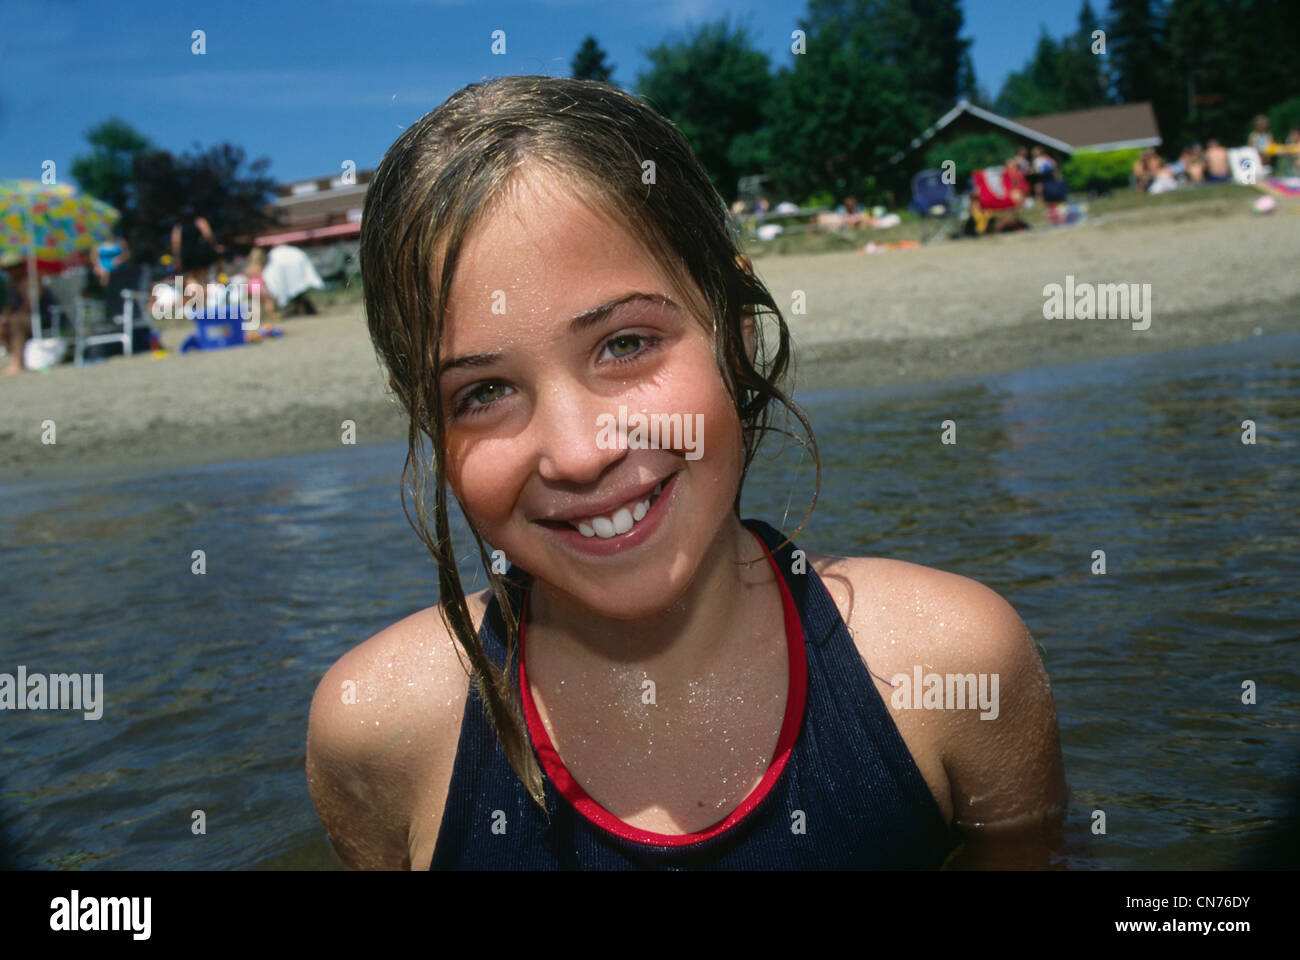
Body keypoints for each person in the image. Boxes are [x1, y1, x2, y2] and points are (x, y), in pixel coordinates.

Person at [307, 76, 1067, 870]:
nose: (578, 452)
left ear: (735, 331)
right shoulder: (382, 729)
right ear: (430, 423)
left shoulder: (948, 669)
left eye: (626, 344)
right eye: (485, 392)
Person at [170, 205, 223, 298]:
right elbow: (208, 235)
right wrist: (214, 246)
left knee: (191, 279)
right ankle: (203, 302)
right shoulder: (199, 221)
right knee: (203, 280)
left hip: (187, 256)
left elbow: (175, 243)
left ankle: (197, 302)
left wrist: (177, 259)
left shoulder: (178, 227)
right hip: (200, 254)